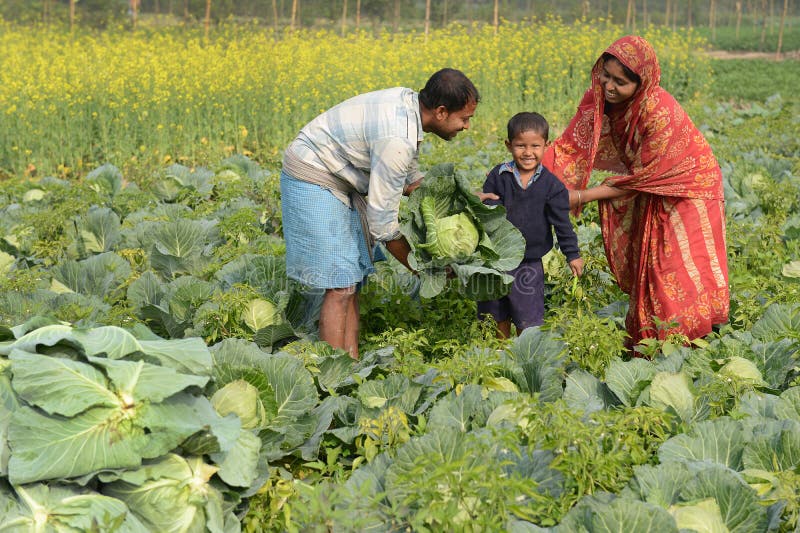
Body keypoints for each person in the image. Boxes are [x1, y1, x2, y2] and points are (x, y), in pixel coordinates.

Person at [541, 35, 729, 347]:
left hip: (690, 189)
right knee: (652, 265)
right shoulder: (601, 97)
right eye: (606, 76)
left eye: (620, 82)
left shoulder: (657, 112)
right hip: (652, 187)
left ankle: (682, 348)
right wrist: (532, 176)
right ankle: (652, 346)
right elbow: (570, 147)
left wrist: (579, 196)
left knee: (672, 270)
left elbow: (640, 178)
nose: (609, 86)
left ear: (640, 85)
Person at [280, 68, 480, 358]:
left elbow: (410, 181)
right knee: (340, 285)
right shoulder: (397, 139)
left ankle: (351, 362)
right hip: (313, 174)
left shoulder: (409, 107)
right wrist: (424, 270)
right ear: (440, 112)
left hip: (339, 175)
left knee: (351, 279)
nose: (466, 127)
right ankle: (331, 372)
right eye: (464, 118)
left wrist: (469, 198)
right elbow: (383, 226)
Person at [477, 112, 584, 338]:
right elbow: (485, 213)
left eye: (535, 146)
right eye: (520, 145)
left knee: (528, 316)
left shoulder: (551, 185)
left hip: (529, 261)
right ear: (509, 145)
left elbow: (562, 223)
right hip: (495, 258)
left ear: (547, 145)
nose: (528, 152)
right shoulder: (498, 176)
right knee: (494, 312)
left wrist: (572, 255)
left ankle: (523, 352)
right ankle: (501, 353)